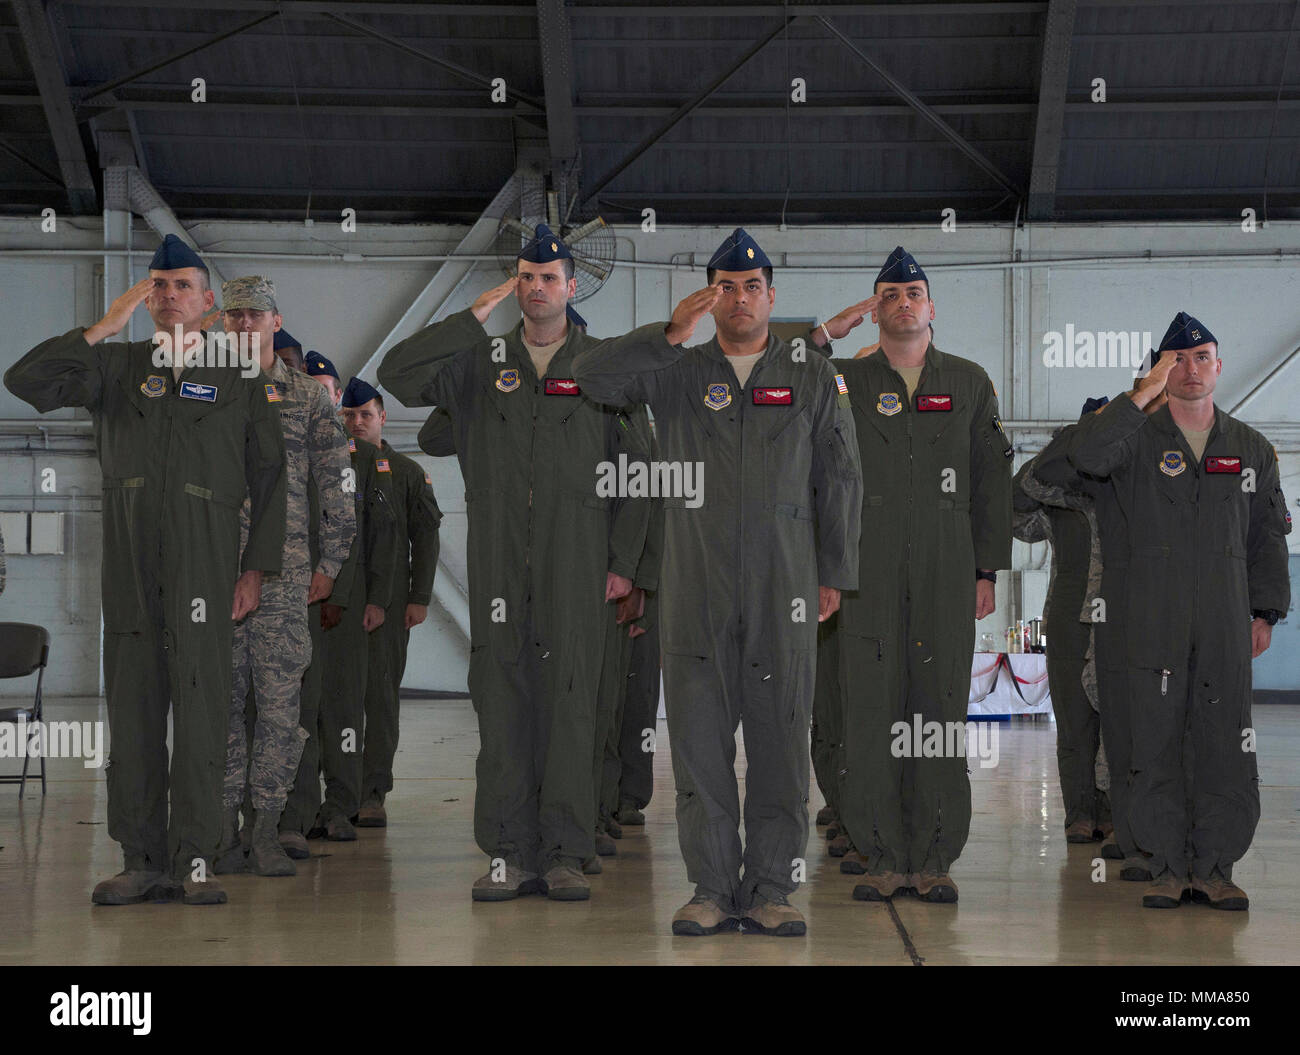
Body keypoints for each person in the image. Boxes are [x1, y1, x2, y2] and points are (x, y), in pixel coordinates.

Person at [573, 227, 863, 936]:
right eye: (726, 287)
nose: (740, 298)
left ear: (772, 295)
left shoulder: (810, 374)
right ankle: (709, 886)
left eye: (753, 286)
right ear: (711, 295)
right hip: (697, 583)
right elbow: (590, 379)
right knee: (700, 742)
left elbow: (842, 476)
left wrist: (835, 571)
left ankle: (770, 888)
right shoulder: (675, 370)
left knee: (781, 739)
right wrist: (669, 331)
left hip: (785, 584)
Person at [4, 234, 287, 905]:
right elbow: (25, 381)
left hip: (205, 559)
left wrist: (257, 569)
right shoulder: (115, 365)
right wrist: (102, 326)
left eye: (181, 285)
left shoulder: (238, 374)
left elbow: (272, 476)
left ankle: (195, 857)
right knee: (131, 711)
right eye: (157, 286)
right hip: (130, 564)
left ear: (209, 301)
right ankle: (140, 856)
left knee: (200, 710)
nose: (167, 296)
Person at [378, 224, 653, 902]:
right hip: (501, 558)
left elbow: (637, 471)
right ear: (515, 286)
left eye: (549, 278)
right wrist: (469, 317)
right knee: (501, 701)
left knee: (570, 705)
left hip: (579, 558)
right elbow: (396, 376)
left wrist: (623, 563)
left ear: (572, 286)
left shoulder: (605, 365)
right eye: (525, 277)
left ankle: (564, 849)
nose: (536, 288)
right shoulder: (481, 360)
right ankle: (506, 851)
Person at [1067, 312, 1291, 910]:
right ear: (1160, 369)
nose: (1189, 370)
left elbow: (1268, 534)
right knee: (1154, 741)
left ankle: (1215, 868)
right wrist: (1140, 395)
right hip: (1149, 619)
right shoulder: (1131, 439)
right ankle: (1164, 864)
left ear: (1218, 366)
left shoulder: (1249, 447)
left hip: (1225, 620)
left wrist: (1264, 612)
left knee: (1224, 742)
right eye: (1175, 360)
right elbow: (1083, 456)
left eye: (1201, 358)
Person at [825, 246, 1012, 904]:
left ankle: (933, 856)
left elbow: (994, 479)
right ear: (874, 307)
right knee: (870, 711)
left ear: (932, 308)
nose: (903, 302)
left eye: (914, 293)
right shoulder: (844, 380)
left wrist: (987, 568)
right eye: (890, 294)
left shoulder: (971, 382)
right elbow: (784, 397)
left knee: (937, 711)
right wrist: (825, 335)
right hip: (863, 567)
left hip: (947, 563)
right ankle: (880, 853)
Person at [214, 278, 354, 878]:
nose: (244, 325)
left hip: (283, 575)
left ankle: (267, 828)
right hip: (214, 571)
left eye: (255, 315)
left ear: (276, 321)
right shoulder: (203, 388)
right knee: (218, 706)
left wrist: (331, 562)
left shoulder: (308, 398)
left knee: (277, 708)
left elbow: (337, 482)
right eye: (235, 315)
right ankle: (220, 831)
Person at [281, 352, 397, 851]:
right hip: (292, 601)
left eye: (331, 391)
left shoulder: (365, 460)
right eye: (317, 389)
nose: (327, 399)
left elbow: (365, 537)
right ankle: (302, 809)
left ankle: (343, 802)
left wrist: (353, 597)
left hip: (343, 606)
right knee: (300, 714)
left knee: (344, 711)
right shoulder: (286, 448)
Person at [339, 377, 442, 829]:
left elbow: (427, 538)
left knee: (378, 697)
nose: (357, 422)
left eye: (366, 414)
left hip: (392, 601)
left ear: (383, 418)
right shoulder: (327, 466)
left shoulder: (406, 473)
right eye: (349, 414)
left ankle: (373, 790)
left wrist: (419, 597)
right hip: (335, 602)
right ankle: (336, 788)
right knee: (334, 699)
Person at [1013, 400, 1112, 848]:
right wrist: (1065, 445)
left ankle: (1114, 815)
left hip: (1123, 621)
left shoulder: (1128, 492)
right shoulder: (1058, 502)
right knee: (1073, 725)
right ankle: (1079, 815)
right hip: (1070, 620)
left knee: (1120, 724)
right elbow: (1016, 504)